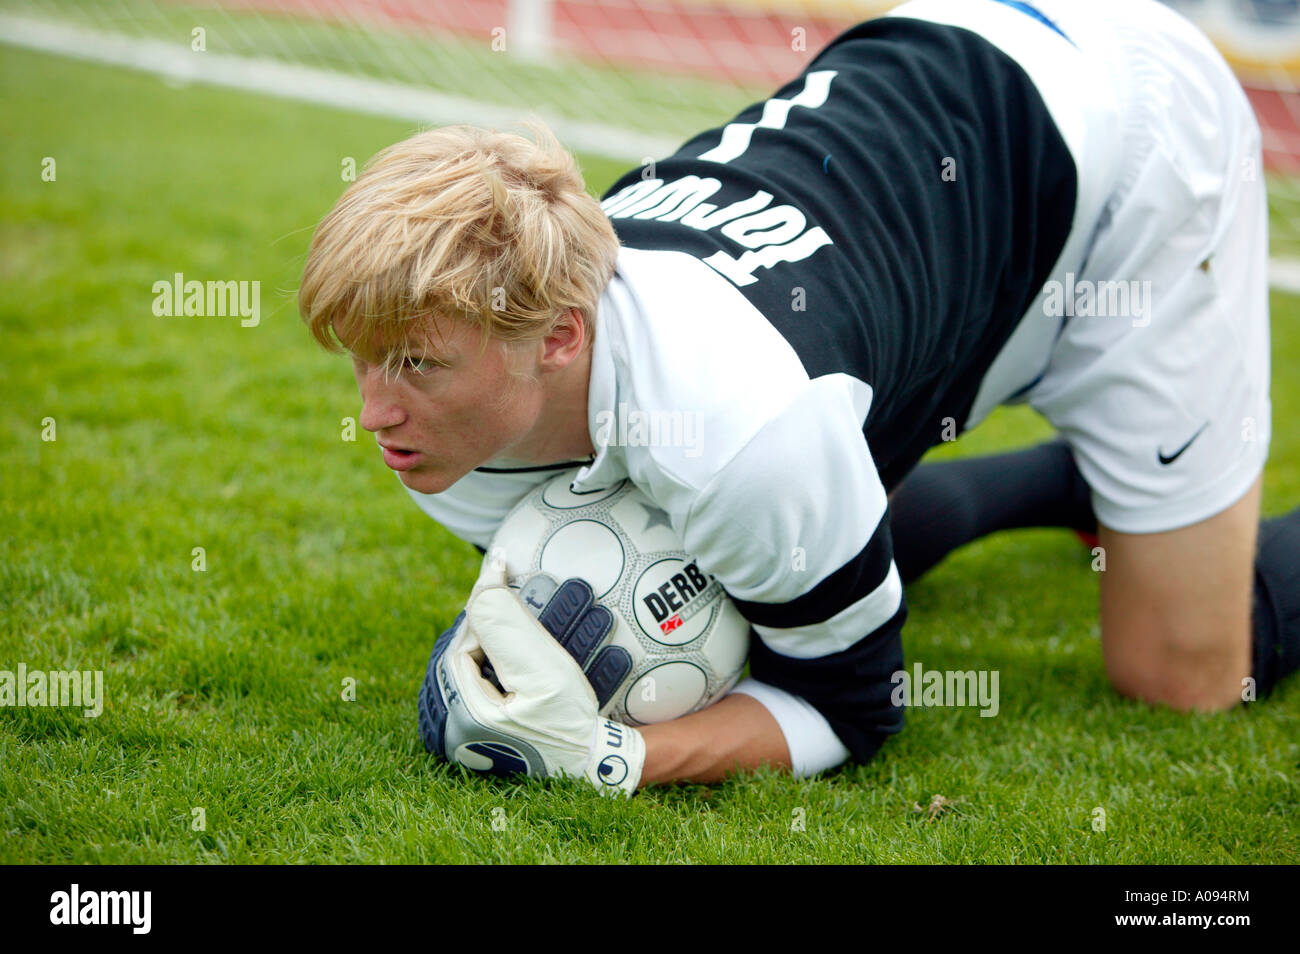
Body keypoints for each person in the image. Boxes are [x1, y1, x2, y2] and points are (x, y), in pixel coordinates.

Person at [298, 0, 1300, 796]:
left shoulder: (738, 430)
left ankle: (1120, 482)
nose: (374, 411)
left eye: (417, 365)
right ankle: (1080, 481)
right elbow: (704, 596)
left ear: (559, 338)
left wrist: (619, 760)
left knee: (1183, 676)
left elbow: (854, 707)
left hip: (1123, 136)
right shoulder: (459, 415)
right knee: (767, 565)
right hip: (948, 76)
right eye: (361, 359)